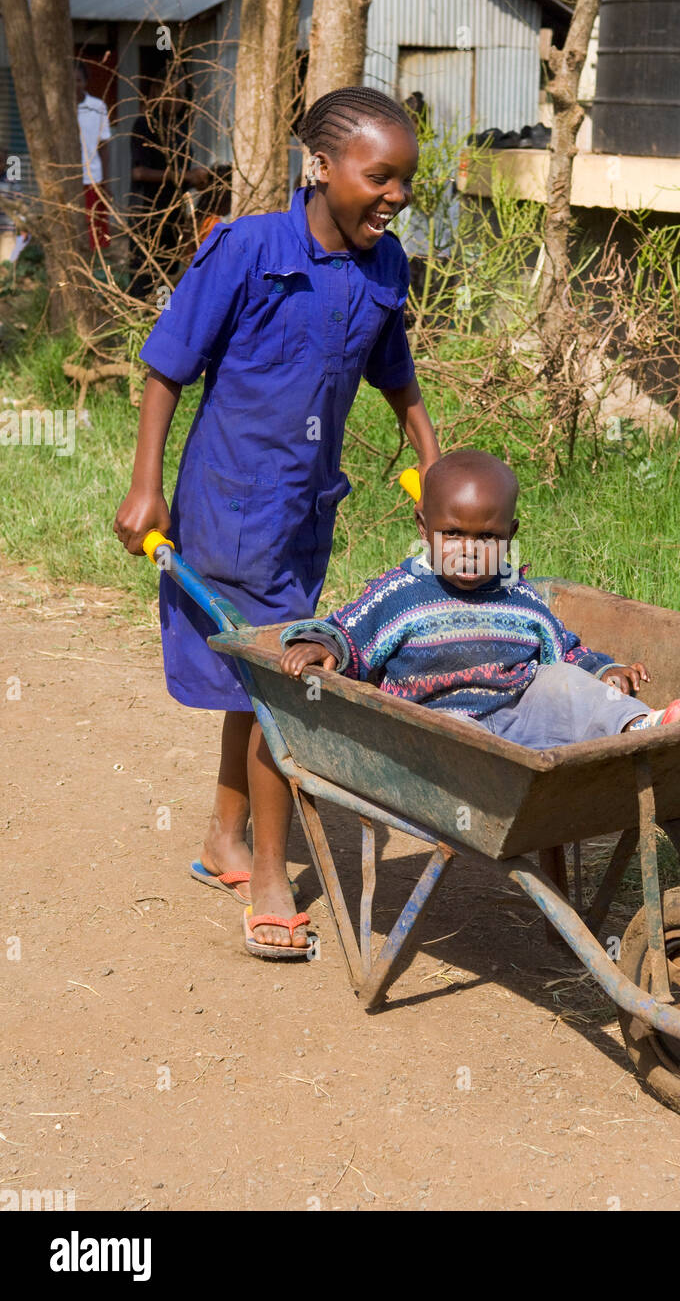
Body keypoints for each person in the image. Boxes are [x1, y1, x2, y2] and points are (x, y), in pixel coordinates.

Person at [114, 86, 440, 958]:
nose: (397, 196)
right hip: (229, 501)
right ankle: (267, 870)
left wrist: (430, 458)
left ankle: (224, 836)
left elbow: (393, 367)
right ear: (322, 167)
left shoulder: (385, 267)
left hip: (305, 507)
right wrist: (145, 485)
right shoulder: (247, 250)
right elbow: (165, 367)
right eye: (380, 176)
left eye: (406, 180)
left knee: (257, 677)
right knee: (278, 685)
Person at [280, 450, 680, 747]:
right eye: (454, 534)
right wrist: (320, 643)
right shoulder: (402, 593)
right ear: (424, 528)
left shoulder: (516, 593)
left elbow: (563, 651)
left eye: (487, 537)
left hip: (520, 715)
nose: (468, 548)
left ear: (510, 535)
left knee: (563, 682)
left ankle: (639, 726)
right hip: (440, 727)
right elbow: (348, 633)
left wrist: (606, 670)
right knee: (464, 742)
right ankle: (500, 780)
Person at [127, 72, 210, 297]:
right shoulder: (145, 124)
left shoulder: (181, 128)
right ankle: (138, 320)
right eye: (170, 94)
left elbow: (181, 175)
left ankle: (161, 323)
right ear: (156, 94)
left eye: (180, 95)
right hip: (148, 213)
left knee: (169, 272)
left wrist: (198, 180)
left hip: (173, 214)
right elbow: (139, 172)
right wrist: (186, 177)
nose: (176, 100)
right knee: (144, 274)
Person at [74, 61, 112, 252]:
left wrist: (105, 181)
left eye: (79, 80)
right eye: (71, 81)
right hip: (70, 179)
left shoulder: (97, 107)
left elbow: (104, 145)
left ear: (86, 82)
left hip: (93, 177)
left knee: (96, 230)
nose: (75, 85)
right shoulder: (60, 109)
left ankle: (98, 266)